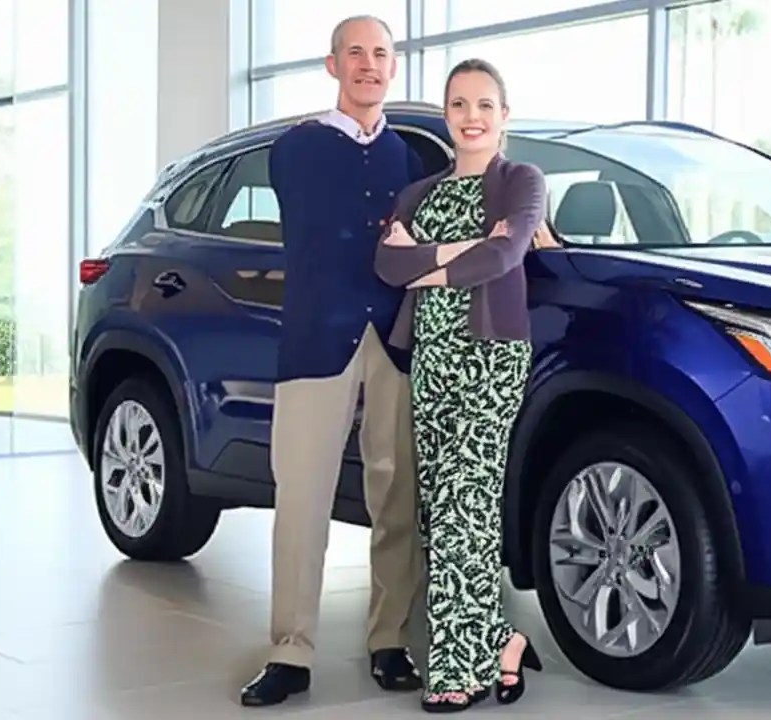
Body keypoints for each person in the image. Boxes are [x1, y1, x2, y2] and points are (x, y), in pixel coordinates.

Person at [239, 14, 429, 707]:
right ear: (332, 65)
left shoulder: (408, 157)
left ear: (392, 66)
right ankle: (290, 651)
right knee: (302, 498)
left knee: (396, 496)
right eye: (356, 54)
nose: (369, 65)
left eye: (380, 55)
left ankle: (389, 641)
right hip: (318, 341)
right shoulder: (297, 148)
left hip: (390, 340)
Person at [373, 57, 546, 712]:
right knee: (437, 509)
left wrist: (430, 260)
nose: (470, 117)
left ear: (504, 117)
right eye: (458, 105)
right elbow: (388, 265)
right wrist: (458, 252)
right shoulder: (420, 194)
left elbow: (505, 255)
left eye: (483, 105)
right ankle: (502, 642)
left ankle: (454, 671)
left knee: (463, 506)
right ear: (446, 116)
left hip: (491, 356)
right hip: (432, 360)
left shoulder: (520, 183)